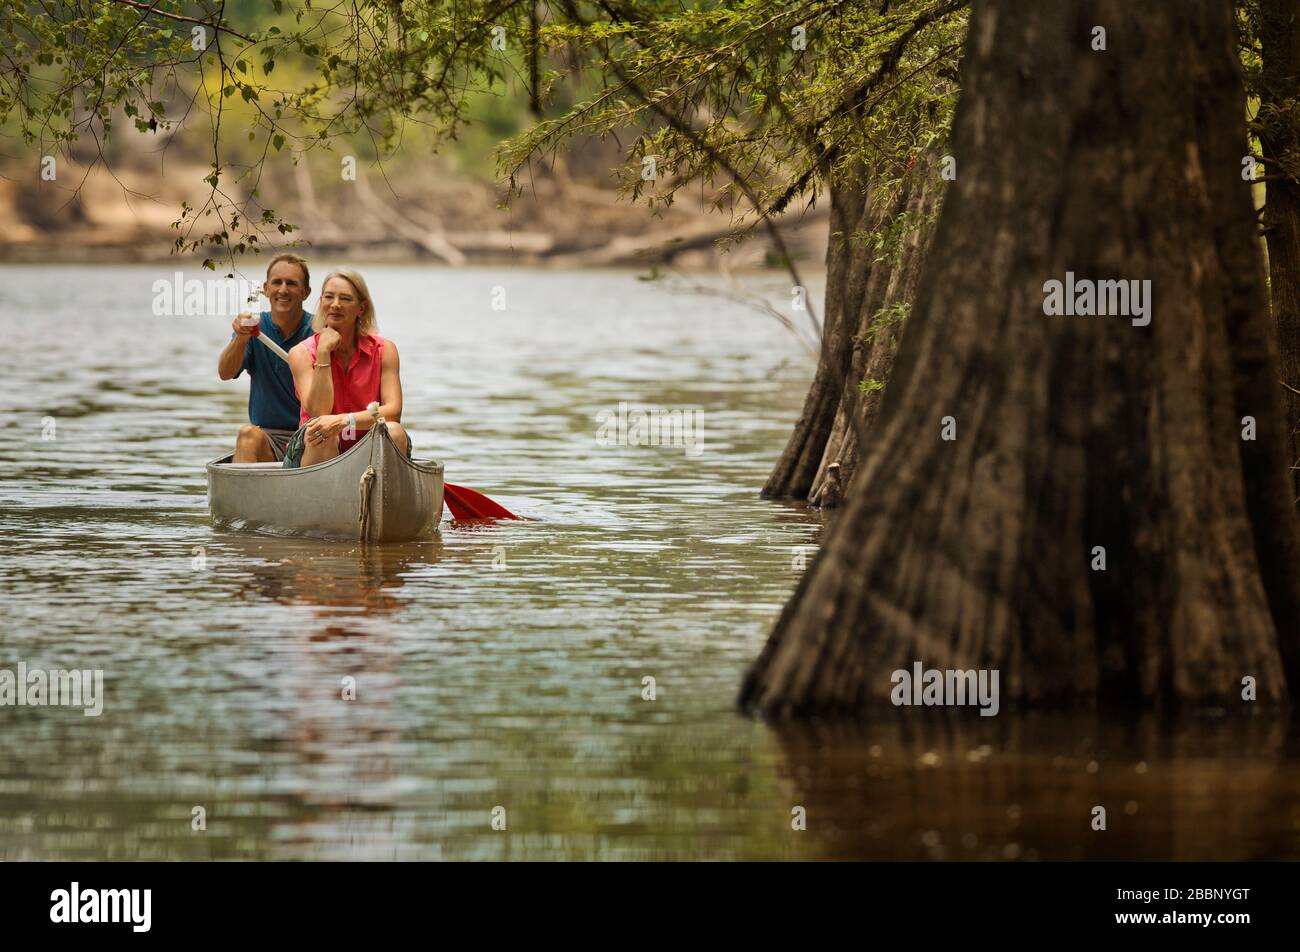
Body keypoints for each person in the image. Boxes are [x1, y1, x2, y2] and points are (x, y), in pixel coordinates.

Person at [283, 268, 409, 468]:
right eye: (329, 297)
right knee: (321, 434)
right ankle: (319, 498)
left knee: (393, 431)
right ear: (321, 301)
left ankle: (379, 496)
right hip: (315, 447)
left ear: (362, 307)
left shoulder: (385, 350)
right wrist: (323, 351)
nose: (335, 305)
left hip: (367, 444)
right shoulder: (300, 353)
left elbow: (393, 411)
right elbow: (319, 411)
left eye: (346, 299)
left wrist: (345, 421)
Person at [217, 253, 315, 462]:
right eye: (277, 282)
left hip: (312, 434)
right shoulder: (254, 328)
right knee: (247, 435)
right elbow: (225, 373)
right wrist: (241, 339)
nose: (283, 289)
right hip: (268, 438)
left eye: (292, 283)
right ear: (266, 288)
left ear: (306, 292)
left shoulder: (318, 331)